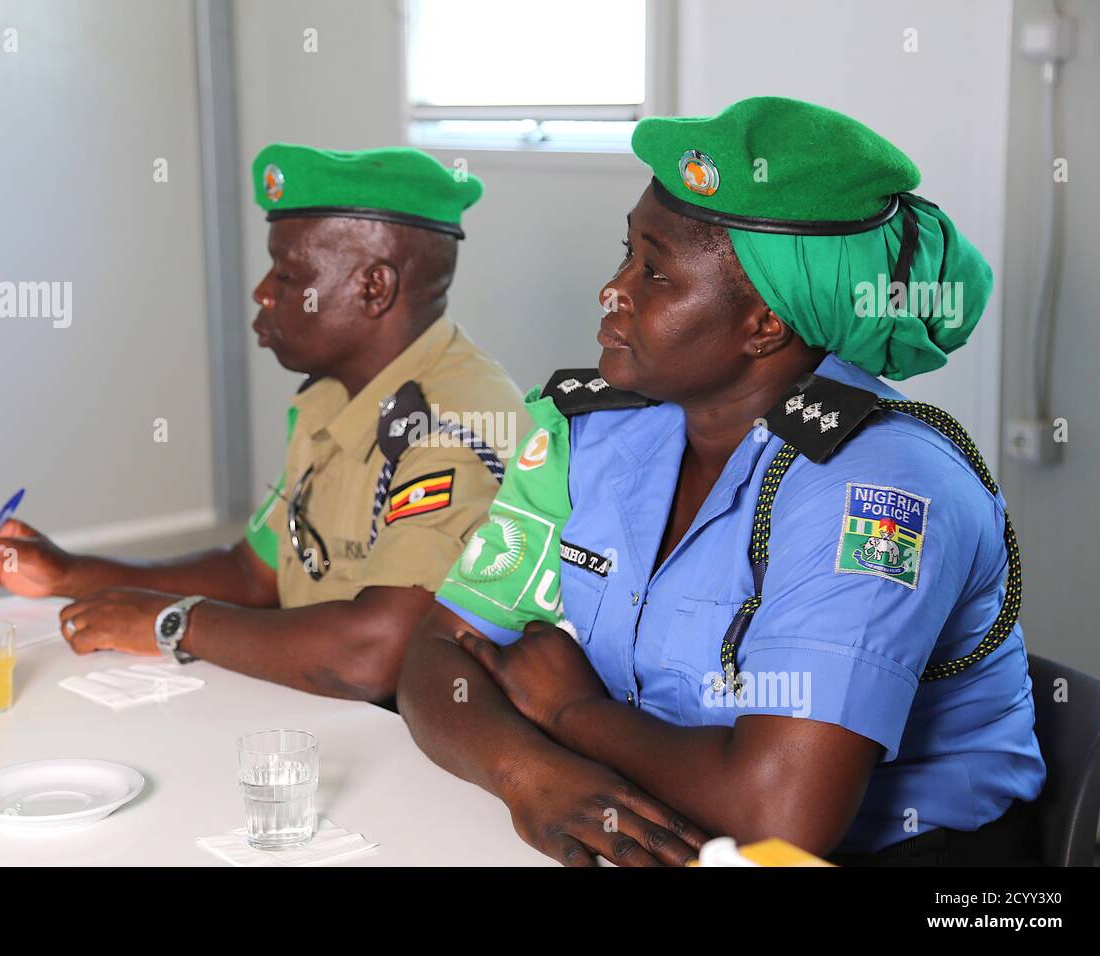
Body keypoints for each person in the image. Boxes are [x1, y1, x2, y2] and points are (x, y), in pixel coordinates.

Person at [397, 97, 1046, 866]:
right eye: (625, 255)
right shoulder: (599, 433)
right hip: (664, 824)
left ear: (766, 323)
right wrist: (528, 775)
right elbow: (439, 655)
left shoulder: (877, 491)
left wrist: (572, 711)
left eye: (655, 273)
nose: (613, 291)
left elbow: (781, 813)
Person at [0, 144, 530, 704]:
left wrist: (173, 625)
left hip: (402, 756)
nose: (261, 291)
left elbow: (373, 656)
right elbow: (256, 576)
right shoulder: (335, 394)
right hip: (309, 714)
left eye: (287, 274)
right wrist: (67, 573)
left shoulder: (454, 426)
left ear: (372, 288)